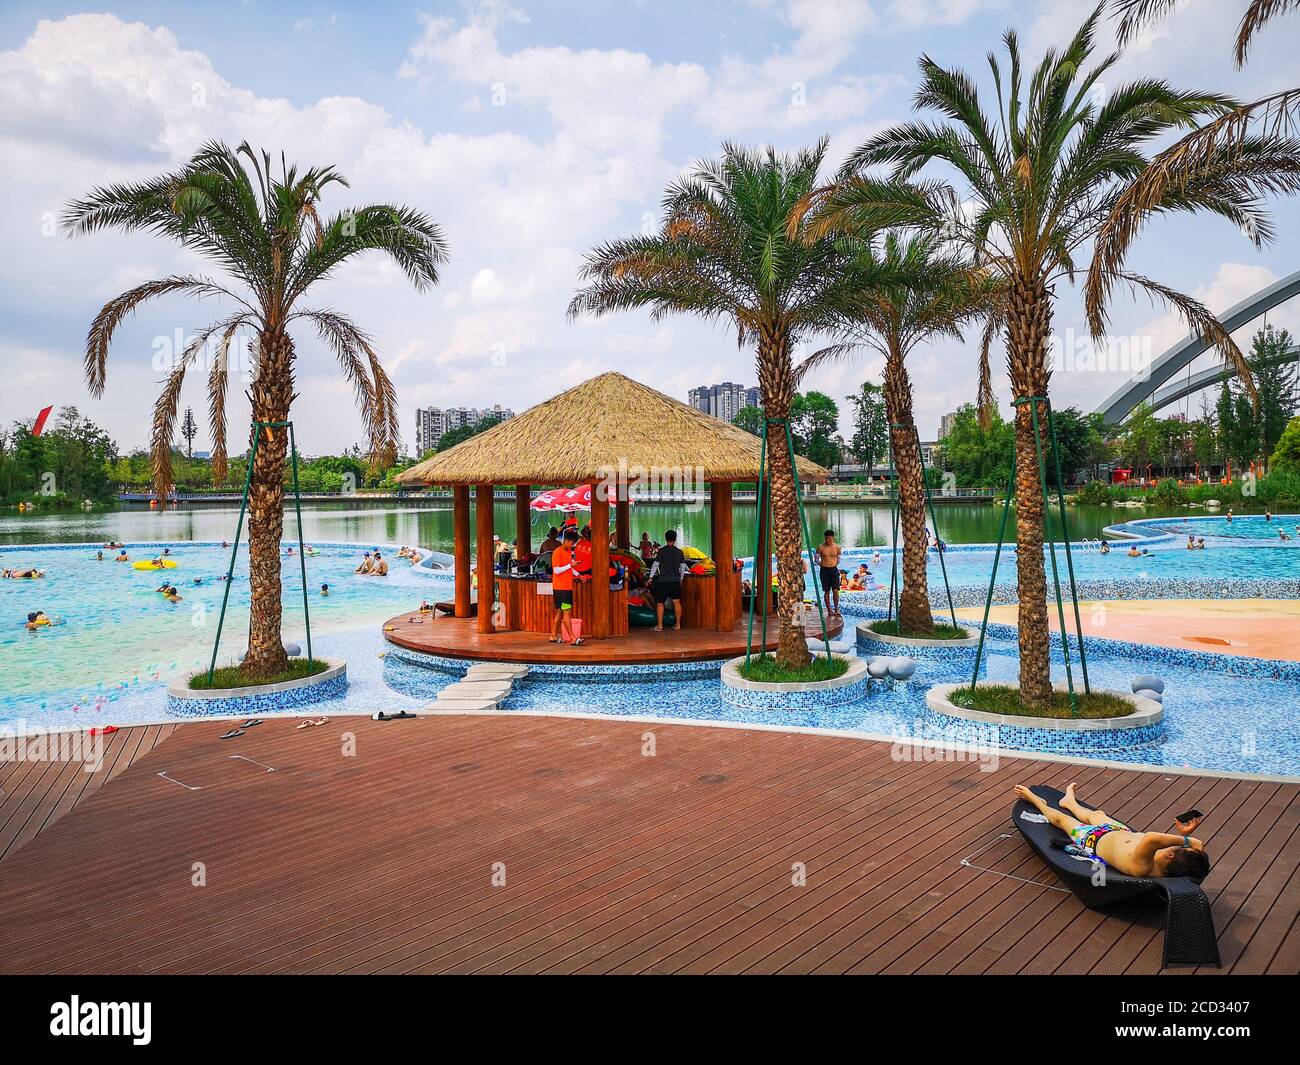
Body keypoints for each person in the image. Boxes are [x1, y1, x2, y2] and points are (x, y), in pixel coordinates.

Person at [1014, 784, 1210, 879]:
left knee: (1061, 820)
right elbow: (1194, 859)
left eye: (1178, 848)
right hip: (1118, 831)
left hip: (1093, 840)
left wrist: (1189, 840)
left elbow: (1152, 838)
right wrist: (1196, 847)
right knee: (1096, 814)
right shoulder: (1170, 863)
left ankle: (1036, 801)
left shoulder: (1142, 867)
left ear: (1169, 855)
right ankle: (1070, 802)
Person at [648, 529, 686, 632]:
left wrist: (650, 577)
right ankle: (677, 624)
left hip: (663, 580)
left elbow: (655, 565)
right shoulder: (679, 552)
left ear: (666, 539)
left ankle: (660, 626)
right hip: (675, 580)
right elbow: (682, 567)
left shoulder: (662, 551)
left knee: (660, 603)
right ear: (675, 539)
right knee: (676, 601)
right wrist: (681, 579)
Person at [549, 528, 582, 645]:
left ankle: (553, 636)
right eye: (572, 543)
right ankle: (573, 638)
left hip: (566, 587)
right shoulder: (557, 552)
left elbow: (568, 567)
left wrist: (578, 575)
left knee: (560, 612)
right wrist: (570, 565)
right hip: (561, 588)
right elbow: (557, 570)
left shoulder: (568, 552)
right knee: (567, 612)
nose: (572, 546)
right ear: (567, 540)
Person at [815, 529, 843, 617]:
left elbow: (838, 559)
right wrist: (822, 565)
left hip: (834, 570)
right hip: (824, 570)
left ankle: (836, 608)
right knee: (826, 591)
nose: (827, 540)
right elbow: (816, 559)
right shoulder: (821, 547)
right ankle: (829, 610)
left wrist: (834, 565)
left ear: (833, 538)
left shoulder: (837, 547)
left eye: (829, 538)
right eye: (826, 538)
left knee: (835, 590)